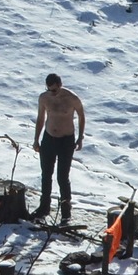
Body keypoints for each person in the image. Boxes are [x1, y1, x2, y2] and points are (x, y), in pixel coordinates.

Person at [31, 72, 86, 223]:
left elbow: (81, 116)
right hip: (49, 139)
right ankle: (44, 208)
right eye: (49, 90)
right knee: (46, 174)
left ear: (60, 86)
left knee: (62, 177)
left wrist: (80, 137)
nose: (52, 94)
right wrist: (36, 139)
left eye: (54, 90)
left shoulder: (72, 98)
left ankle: (66, 212)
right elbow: (41, 118)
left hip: (66, 141)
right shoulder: (44, 98)